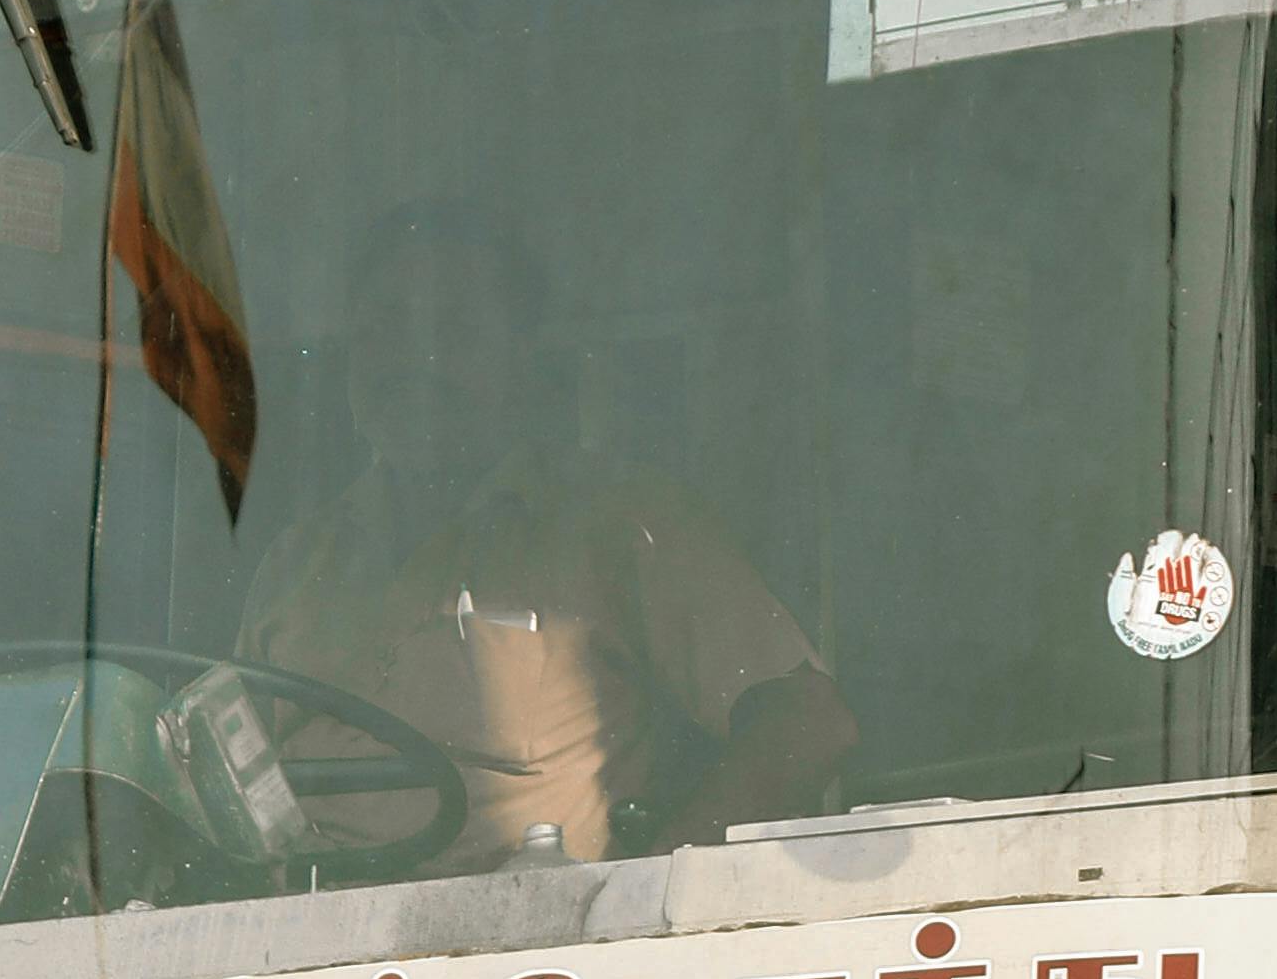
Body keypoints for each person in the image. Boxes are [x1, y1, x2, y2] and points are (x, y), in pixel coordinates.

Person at [232, 210, 855, 867]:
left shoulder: (620, 519)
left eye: (455, 328)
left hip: (527, 950)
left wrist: (644, 902)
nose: (413, 359)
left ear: (523, 357)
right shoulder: (298, 561)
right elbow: (221, 779)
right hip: (299, 943)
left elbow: (807, 723)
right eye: (384, 328)